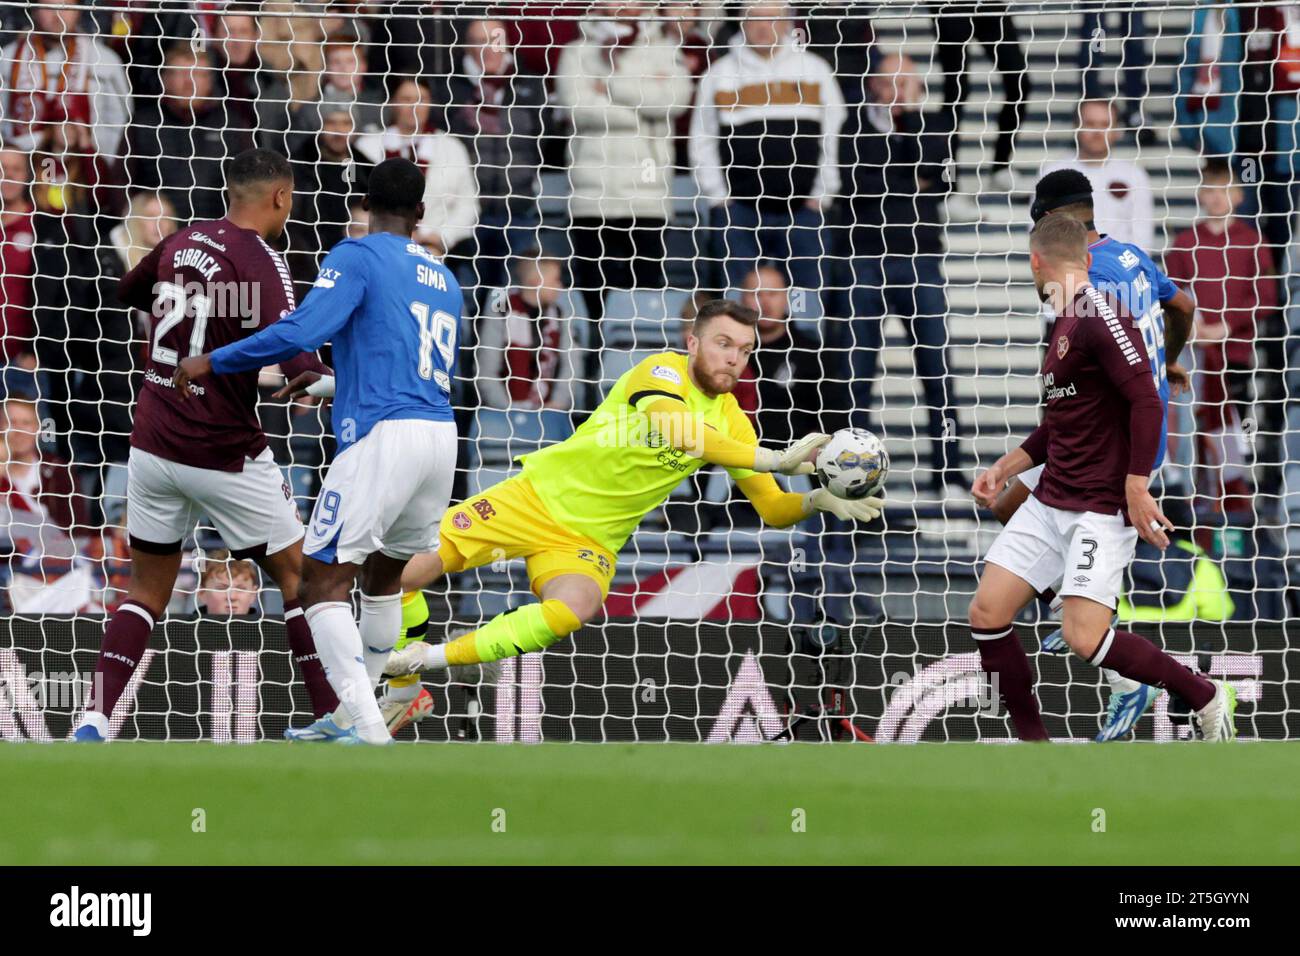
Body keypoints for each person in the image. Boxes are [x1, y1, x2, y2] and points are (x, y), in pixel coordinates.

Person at [343, 300, 886, 734]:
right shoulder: (661, 373)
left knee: (576, 605)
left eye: (744, 351)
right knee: (400, 573)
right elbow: (682, 434)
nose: (734, 359)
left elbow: (771, 507)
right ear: (693, 342)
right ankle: (402, 690)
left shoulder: (734, 421)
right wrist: (775, 458)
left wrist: (817, 500)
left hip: (592, 539)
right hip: (534, 498)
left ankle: (432, 660)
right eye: (723, 344)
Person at [177, 159, 462, 746]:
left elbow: (299, 332)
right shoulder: (444, 276)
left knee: (318, 584)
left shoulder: (355, 255)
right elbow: (409, 368)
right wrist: (330, 383)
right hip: (439, 437)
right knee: (385, 577)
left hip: (383, 438)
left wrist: (214, 359)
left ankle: (364, 726)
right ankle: (358, 713)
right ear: (422, 213)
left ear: (364, 206)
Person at [72, 149, 337, 743]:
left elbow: (128, 290)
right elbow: (294, 351)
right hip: (223, 451)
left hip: (154, 443)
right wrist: (327, 381)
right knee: (301, 579)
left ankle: (93, 718)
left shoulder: (179, 240)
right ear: (280, 197)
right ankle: (330, 715)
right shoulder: (263, 262)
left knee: (146, 589)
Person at [969, 214, 1236, 743]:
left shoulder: (1097, 313)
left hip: (1099, 506)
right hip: (1051, 502)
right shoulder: (1067, 321)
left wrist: (1136, 485)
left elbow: (1147, 398)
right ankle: (1034, 749)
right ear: (1087, 259)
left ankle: (1204, 695)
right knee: (987, 611)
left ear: (1035, 262)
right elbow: (1062, 423)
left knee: (1083, 635)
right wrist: (1006, 467)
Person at [839, 51, 965, 499]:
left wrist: (909, 121)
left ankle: (947, 475)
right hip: (864, 259)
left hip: (919, 259)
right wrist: (911, 179)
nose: (897, 87)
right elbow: (857, 185)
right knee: (857, 374)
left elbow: (945, 177)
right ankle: (853, 475)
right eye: (890, 78)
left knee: (936, 370)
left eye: (906, 79)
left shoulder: (933, 124)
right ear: (872, 83)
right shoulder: (852, 125)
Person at [692, 2, 844, 294]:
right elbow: (703, 138)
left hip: (803, 212)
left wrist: (821, 194)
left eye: (772, 19)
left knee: (805, 300)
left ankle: (805, 341)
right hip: (739, 213)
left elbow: (834, 134)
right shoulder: (719, 74)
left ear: (787, 22)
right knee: (736, 303)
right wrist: (718, 197)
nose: (763, 26)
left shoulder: (814, 69)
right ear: (742, 22)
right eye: (755, 19)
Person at [557, 2, 693, 322]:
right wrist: (643, 107)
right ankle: (591, 366)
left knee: (644, 299)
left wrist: (612, 84)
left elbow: (676, 100)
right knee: (592, 297)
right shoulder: (577, 52)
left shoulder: (664, 48)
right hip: (592, 198)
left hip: (647, 198)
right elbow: (579, 109)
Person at [1165, 159, 1277, 512]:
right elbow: (1170, 293)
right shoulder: (1185, 242)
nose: (1216, 197)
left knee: (1239, 424)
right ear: (1200, 194)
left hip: (1237, 352)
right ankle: (1193, 497)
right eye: (1210, 190)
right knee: (1192, 423)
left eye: (1224, 189)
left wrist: (1227, 326)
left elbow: (1266, 296)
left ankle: (1241, 497)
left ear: (1239, 195)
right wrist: (1192, 327)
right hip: (1194, 356)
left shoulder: (1253, 241)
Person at [1040, 99, 1156, 251]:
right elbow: (1039, 232)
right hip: (1069, 271)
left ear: (1117, 130)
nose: (1097, 132)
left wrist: (1126, 272)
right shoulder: (1053, 173)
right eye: (1090, 124)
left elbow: (1142, 235)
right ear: (1076, 126)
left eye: (1105, 125)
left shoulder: (1134, 175)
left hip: (1118, 271)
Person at [477, 254, 575, 411]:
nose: (560, 286)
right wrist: (508, 407)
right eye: (555, 280)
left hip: (549, 411)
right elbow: (486, 368)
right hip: (502, 412)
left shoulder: (559, 314)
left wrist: (557, 404)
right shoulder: (501, 307)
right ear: (536, 281)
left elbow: (570, 366)